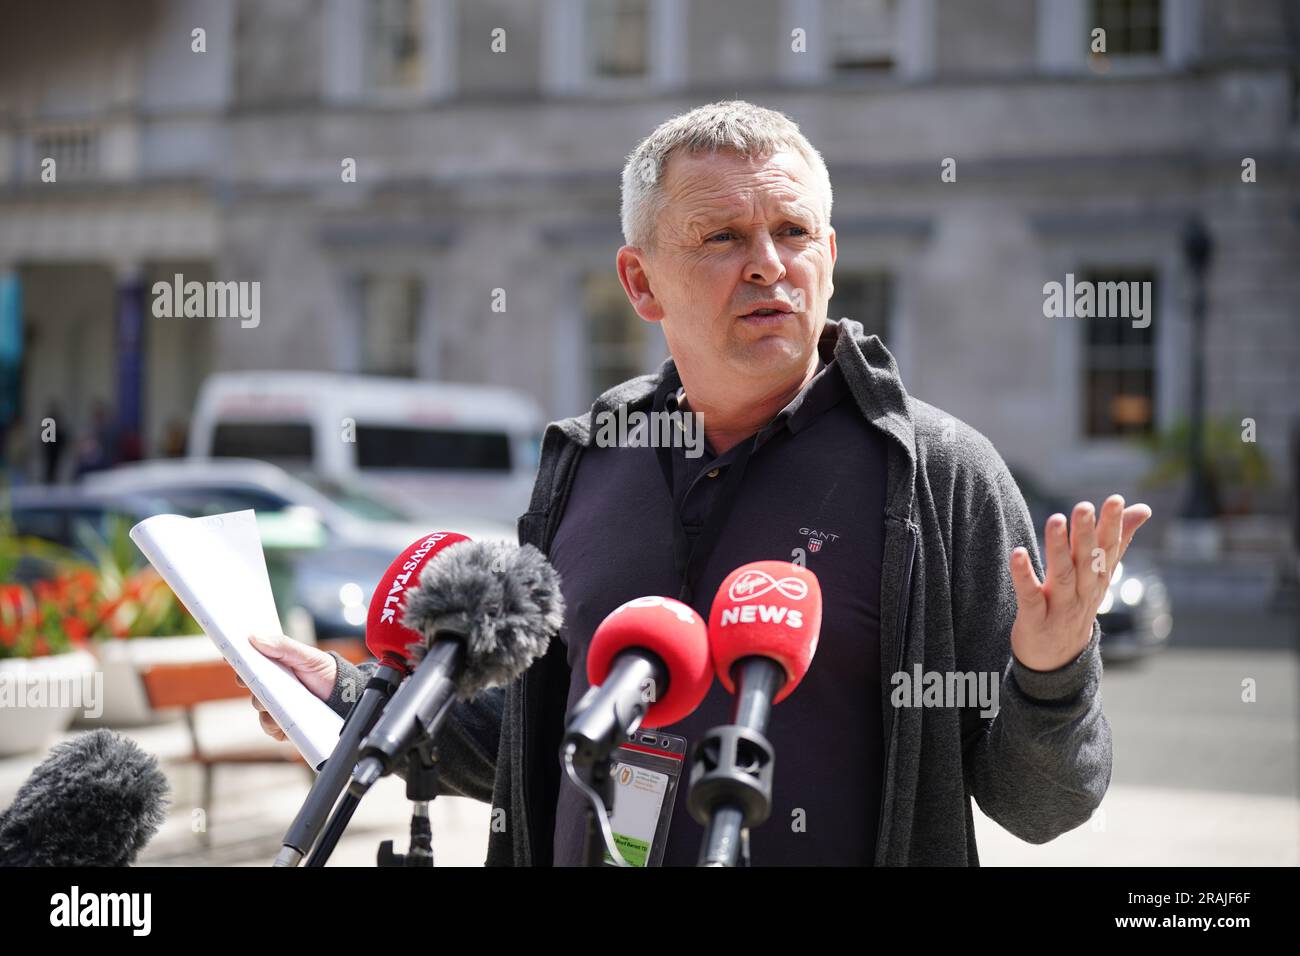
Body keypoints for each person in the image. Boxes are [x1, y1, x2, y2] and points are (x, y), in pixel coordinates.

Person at [248, 100, 1150, 865]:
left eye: (792, 232)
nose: (767, 262)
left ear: (829, 255)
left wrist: (1051, 672)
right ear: (640, 282)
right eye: (722, 236)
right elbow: (534, 746)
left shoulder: (937, 477)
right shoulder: (587, 458)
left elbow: (1043, 808)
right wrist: (342, 689)